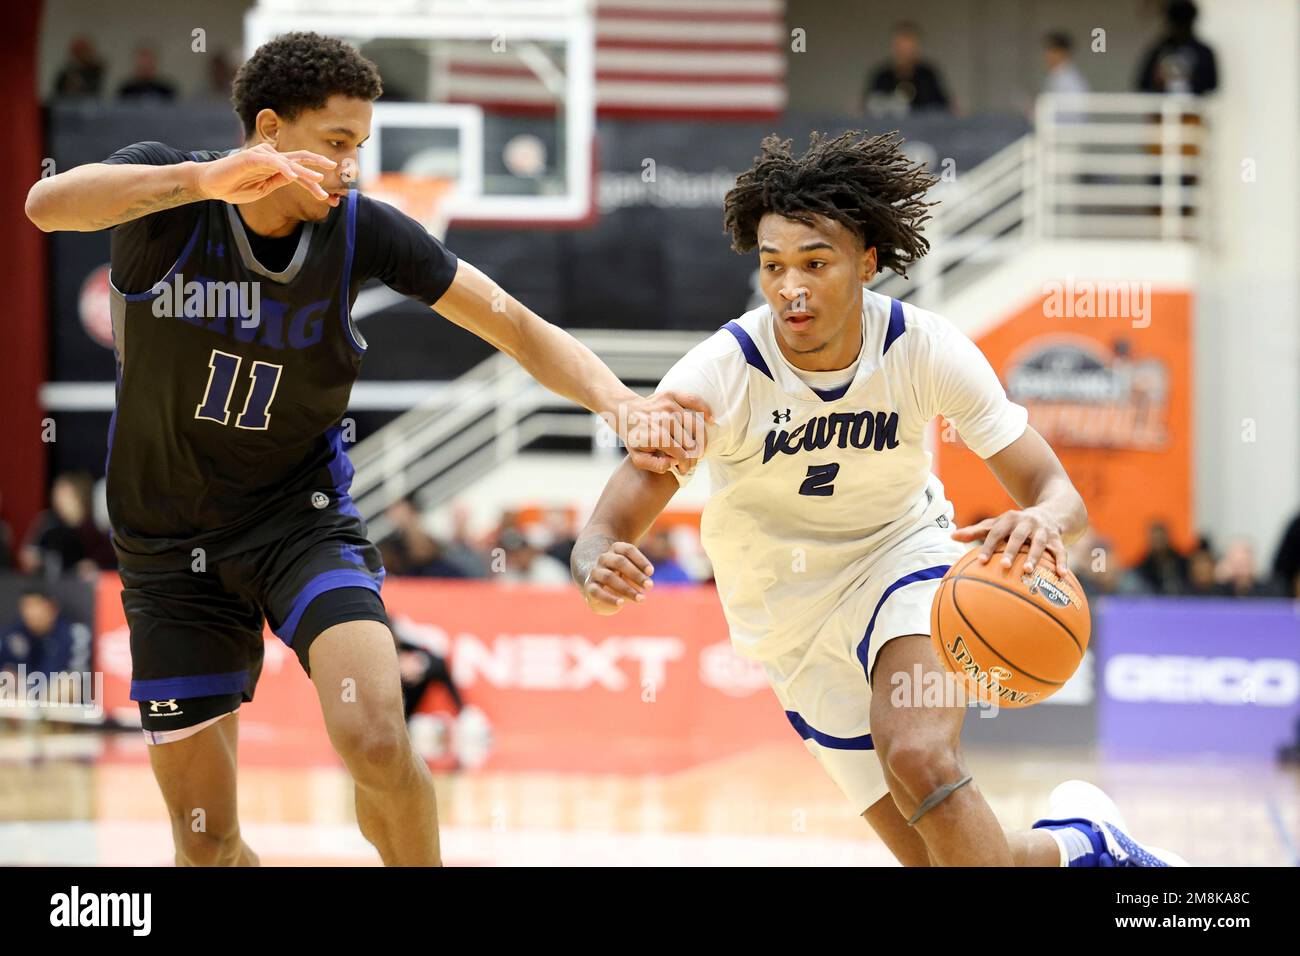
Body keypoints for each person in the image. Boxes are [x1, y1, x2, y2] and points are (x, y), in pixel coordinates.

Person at [25, 31, 709, 868]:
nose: (352, 166)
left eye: (361, 147)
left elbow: (513, 324)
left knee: (377, 737)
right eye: (337, 143)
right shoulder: (166, 194)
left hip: (297, 523)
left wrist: (620, 405)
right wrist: (202, 179)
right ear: (269, 131)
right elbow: (46, 204)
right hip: (168, 548)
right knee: (205, 846)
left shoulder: (363, 230)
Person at [570, 130, 1186, 867]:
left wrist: (1042, 519)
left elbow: (1058, 493)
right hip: (786, 615)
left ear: (866, 262)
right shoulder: (720, 374)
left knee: (921, 759)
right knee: (942, 855)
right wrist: (595, 562)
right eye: (773, 266)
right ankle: (1083, 847)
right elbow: (608, 525)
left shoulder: (924, 348)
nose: (790, 287)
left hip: (905, 560)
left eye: (814, 262)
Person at [862, 23, 950, 116]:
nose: (905, 52)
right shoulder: (882, 75)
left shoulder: (927, 75)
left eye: (909, 46)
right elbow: (868, 107)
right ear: (894, 47)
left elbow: (943, 107)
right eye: (901, 46)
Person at [1135, 0, 1218, 95]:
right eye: (1177, 24)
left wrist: (1192, 81)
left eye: (1184, 24)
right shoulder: (1159, 51)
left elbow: (1211, 84)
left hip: (1192, 106)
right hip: (1162, 106)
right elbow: (1143, 83)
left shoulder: (1203, 52)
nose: (1180, 30)